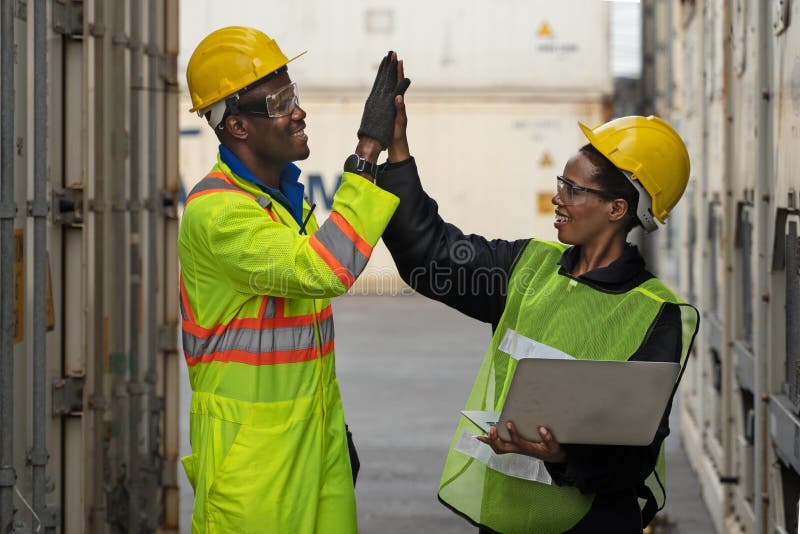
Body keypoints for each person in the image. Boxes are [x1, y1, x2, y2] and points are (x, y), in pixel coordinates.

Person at [375, 87, 700, 532]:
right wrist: (398, 151)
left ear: (617, 208)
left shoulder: (657, 313)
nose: (557, 198)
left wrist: (564, 456)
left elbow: (635, 454)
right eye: (560, 184)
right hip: (504, 520)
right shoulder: (526, 266)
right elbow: (430, 257)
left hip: (593, 525)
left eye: (572, 189)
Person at [178, 27, 408, 533]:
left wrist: (331, 427)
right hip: (254, 464)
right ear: (237, 126)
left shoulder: (279, 201)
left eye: (293, 95)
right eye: (280, 103)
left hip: (315, 441)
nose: (298, 111)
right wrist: (368, 150)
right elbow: (324, 268)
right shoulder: (219, 213)